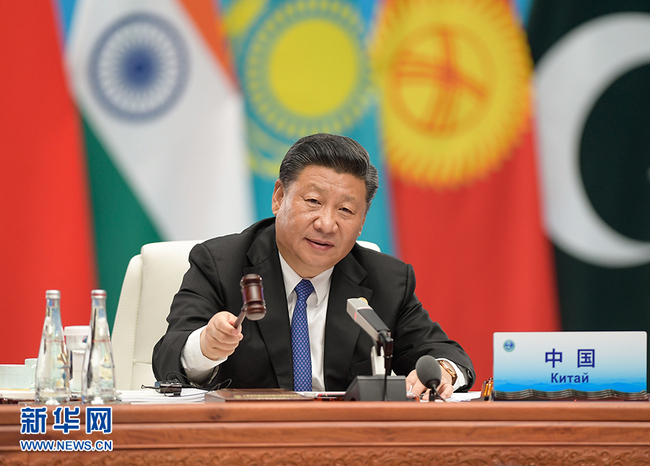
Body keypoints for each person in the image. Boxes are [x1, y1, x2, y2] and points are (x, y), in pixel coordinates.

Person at [152, 133, 474, 399]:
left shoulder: (387, 281)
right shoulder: (221, 264)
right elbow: (168, 356)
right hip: (246, 441)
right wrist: (206, 348)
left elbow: (447, 354)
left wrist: (442, 371)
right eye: (313, 202)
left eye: (346, 210)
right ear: (279, 197)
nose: (327, 223)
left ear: (362, 222)